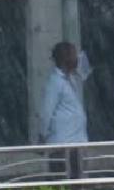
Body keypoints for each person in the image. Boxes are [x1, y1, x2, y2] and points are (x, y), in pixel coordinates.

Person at [38, 41, 88, 178]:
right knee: (64, 182)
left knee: (78, 182)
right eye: (74, 55)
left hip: (76, 142)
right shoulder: (54, 82)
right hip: (63, 144)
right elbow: (46, 113)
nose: (77, 58)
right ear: (65, 58)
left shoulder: (71, 79)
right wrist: (42, 136)